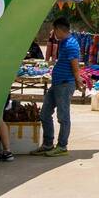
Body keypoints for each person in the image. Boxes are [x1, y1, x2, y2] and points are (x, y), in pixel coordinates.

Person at [32, 16, 79, 157]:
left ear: (59, 29)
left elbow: (75, 66)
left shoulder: (71, 44)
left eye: (54, 30)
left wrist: (79, 81)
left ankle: (62, 146)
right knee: (45, 114)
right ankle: (47, 144)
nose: (53, 32)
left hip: (65, 84)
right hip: (57, 83)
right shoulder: (64, 42)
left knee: (63, 116)